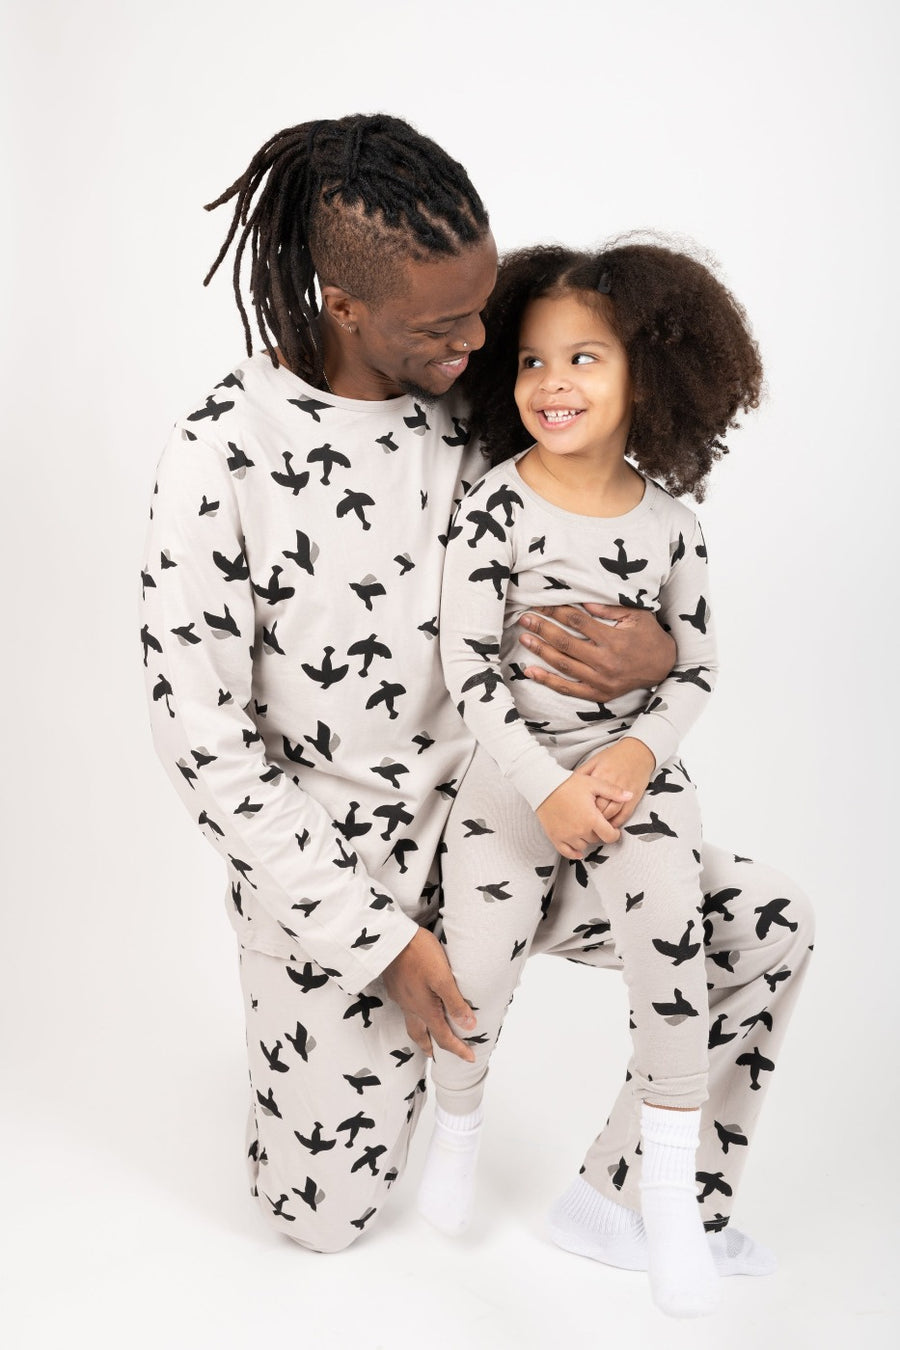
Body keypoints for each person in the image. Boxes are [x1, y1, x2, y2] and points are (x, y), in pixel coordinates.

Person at [139, 115, 813, 1271]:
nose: (481, 341)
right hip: (355, 890)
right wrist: (378, 945)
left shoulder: (489, 400)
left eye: (485, 307)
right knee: (319, 1221)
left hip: (525, 822)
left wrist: (658, 652)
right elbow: (204, 744)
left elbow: (615, 528)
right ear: (347, 306)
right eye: (443, 323)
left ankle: (628, 1204)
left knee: (765, 926)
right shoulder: (222, 455)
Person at [418, 241, 773, 1316]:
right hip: (511, 783)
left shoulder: (673, 528)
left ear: (645, 378)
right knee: (477, 975)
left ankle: (663, 1198)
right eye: (532, 360)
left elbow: (697, 667)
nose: (552, 382)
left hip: (631, 781)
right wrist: (544, 784)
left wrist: (635, 754)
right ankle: (457, 1131)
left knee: (674, 948)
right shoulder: (497, 508)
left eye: (584, 358)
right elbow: (468, 669)